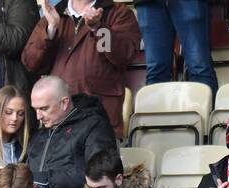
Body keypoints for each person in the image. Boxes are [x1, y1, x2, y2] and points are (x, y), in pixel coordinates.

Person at [21, 0, 141, 138]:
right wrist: (51, 29)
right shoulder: (54, 14)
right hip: (59, 122)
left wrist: (98, 28)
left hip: (100, 122)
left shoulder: (118, 12)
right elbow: (31, 62)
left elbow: (122, 56)